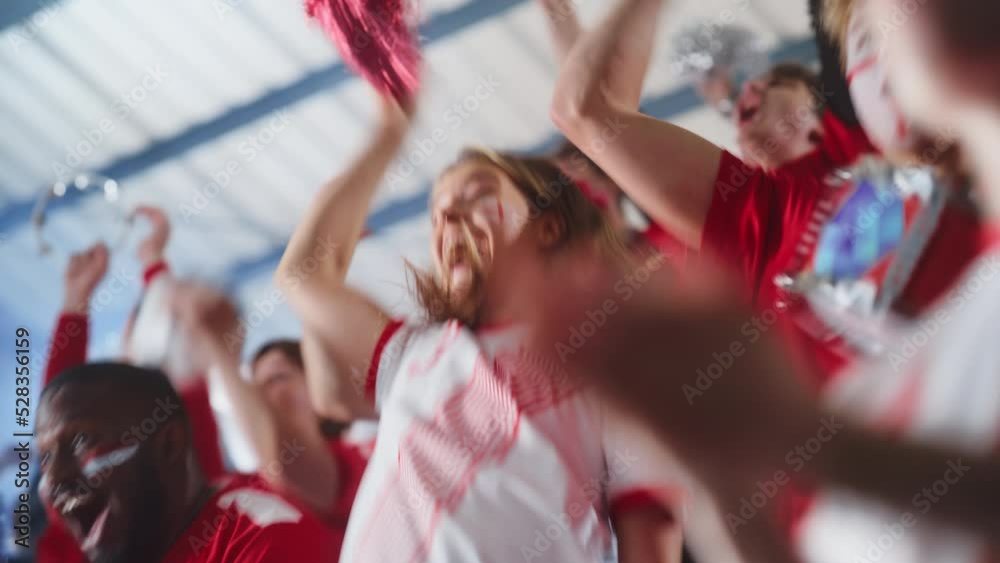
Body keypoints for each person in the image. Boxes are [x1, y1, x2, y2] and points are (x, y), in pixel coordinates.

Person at [274, 92, 684, 562]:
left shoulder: (614, 366)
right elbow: (304, 273)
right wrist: (391, 127)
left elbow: (652, 538)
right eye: (436, 215)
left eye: (478, 196)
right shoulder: (415, 352)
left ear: (547, 228)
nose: (447, 217)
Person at [550, 0, 983, 381]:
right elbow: (586, 109)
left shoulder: (871, 140)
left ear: (820, 113)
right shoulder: (754, 215)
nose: (749, 91)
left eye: (774, 84)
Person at [37, 207, 225, 563]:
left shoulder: (179, 428)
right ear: (126, 335)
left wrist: (155, 267)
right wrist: (77, 297)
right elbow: (60, 410)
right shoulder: (76, 506)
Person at [35, 362, 338, 562]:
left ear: (168, 444)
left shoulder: (260, 537)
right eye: (45, 457)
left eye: (82, 440)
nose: (55, 476)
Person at [168, 279, 371, 557]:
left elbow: (293, 466)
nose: (263, 396)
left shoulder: (360, 461)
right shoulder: (239, 487)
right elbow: (186, 436)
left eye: (278, 378)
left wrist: (220, 349)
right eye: (256, 385)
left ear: (319, 388)